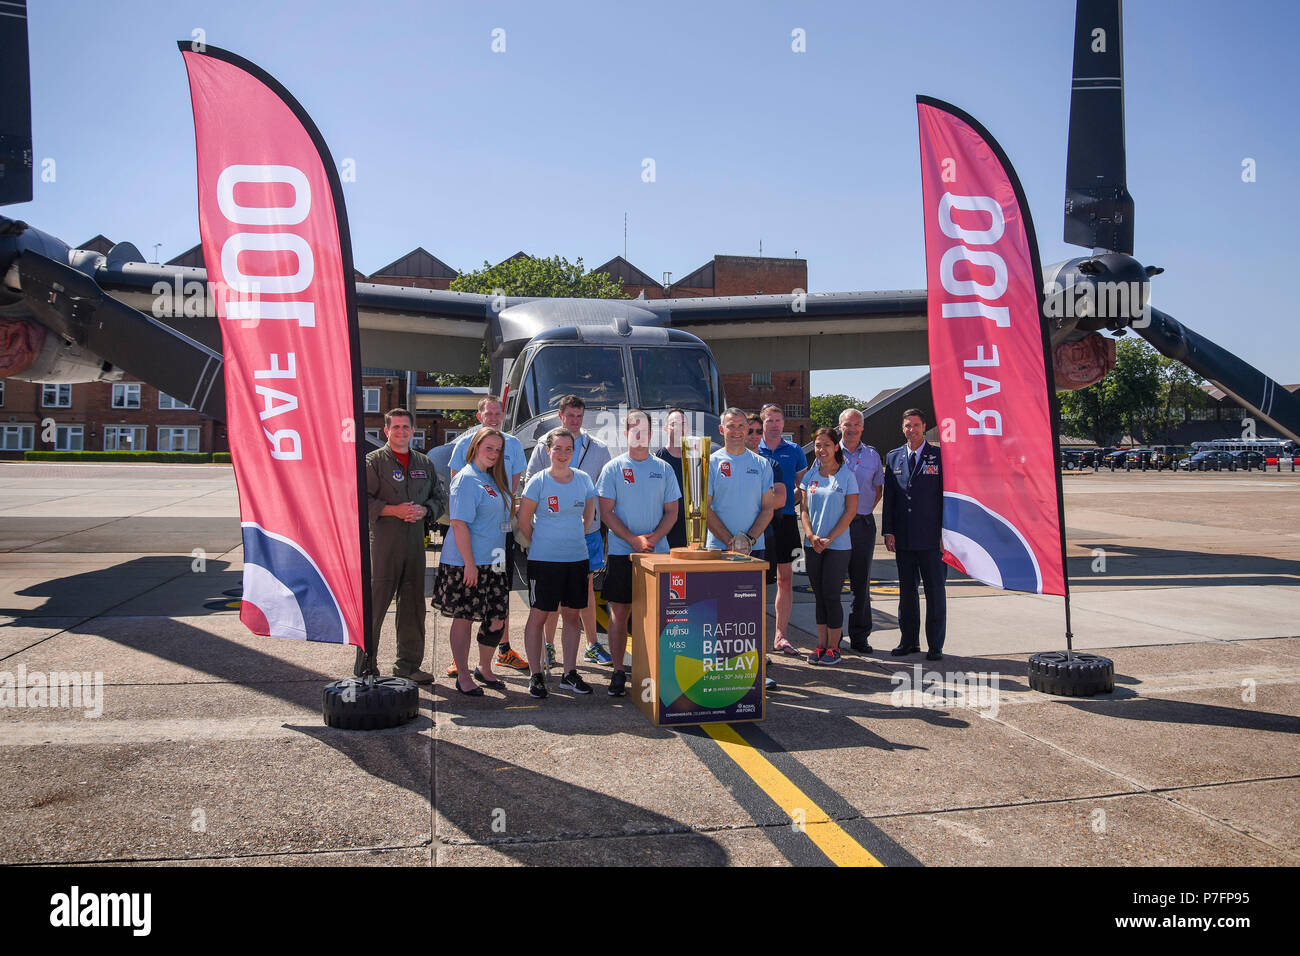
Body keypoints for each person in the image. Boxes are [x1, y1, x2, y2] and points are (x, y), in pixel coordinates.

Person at [596, 409, 681, 697]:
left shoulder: (664, 469)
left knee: (659, 616)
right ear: (626, 432)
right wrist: (633, 539)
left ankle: (658, 670)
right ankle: (619, 670)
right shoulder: (613, 468)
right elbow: (606, 512)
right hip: (623, 554)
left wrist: (654, 538)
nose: (639, 433)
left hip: (658, 555)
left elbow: (672, 511)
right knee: (620, 613)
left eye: (644, 428)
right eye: (634, 428)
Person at [526, 394, 613, 665]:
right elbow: (530, 482)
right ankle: (549, 646)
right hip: (551, 535)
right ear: (560, 416)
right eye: (570, 416)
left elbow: (604, 489)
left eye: (579, 416)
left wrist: (591, 525)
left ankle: (592, 644)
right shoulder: (545, 445)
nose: (574, 421)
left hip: (586, 533)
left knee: (584, 590)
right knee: (552, 596)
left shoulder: (598, 448)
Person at [445, 395, 529, 676]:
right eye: (488, 412)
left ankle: (501, 651)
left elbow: (510, 490)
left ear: (503, 415)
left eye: (498, 412)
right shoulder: (466, 446)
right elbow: (461, 487)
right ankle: (461, 660)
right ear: (480, 416)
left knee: (498, 596)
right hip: (474, 532)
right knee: (467, 604)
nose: (493, 417)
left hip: (499, 534)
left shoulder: (512, 444)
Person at [362, 408, 444, 682]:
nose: (400, 431)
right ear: (386, 431)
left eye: (405, 427)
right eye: (395, 427)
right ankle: (366, 666)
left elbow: (439, 497)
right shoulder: (373, 462)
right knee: (375, 607)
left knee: (413, 606)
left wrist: (425, 511)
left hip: (414, 545)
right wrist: (393, 510)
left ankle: (408, 666)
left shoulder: (424, 463)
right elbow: (362, 501)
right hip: (383, 544)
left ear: (412, 430)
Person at [431, 428, 513, 696]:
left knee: (497, 618)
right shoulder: (466, 479)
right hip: (468, 562)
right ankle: (463, 675)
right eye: (488, 448)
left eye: (498, 450)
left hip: (495, 560)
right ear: (476, 447)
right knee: (464, 618)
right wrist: (469, 564)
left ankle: (484, 667)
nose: (493, 454)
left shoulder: (492, 479)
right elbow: (458, 523)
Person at [516, 427, 596, 699]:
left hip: (576, 559)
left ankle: (569, 674)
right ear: (548, 451)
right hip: (544, 561)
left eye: (568, 449)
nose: (563, 454)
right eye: (557, 449)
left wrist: (573, 536)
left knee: (572, 617)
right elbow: (524, 522)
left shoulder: (584, 480)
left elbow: (589, 516)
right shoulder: (538, 481)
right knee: (539, 616)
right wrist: (539, 543)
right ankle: (536, 675)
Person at [882, 408, 946, 661]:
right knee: (907, 593)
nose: (912, 430)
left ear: (924, 427)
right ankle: (908, 641)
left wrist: (946, 533)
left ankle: (935, 645)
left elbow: (946, 498)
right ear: (903, 428)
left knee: (935, 592)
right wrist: (889, 530)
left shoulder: (939, 456)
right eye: (908, 425)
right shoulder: (894, 457)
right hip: (904, 538)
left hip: (932, 539)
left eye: (916, 425)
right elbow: (890, 499)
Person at [798, 427, 859, 665]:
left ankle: (834, 648)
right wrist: (811, 536)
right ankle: (820, 645)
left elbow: (850, 511)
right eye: (817, 445)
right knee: (819, 596)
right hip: (812, 545)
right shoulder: (809, 476)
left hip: (838, 546)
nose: (821, 449)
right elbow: (803, 510)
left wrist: (830, 538)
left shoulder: (847, 476)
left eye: (826, 445)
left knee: (832, 596)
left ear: (836, 447)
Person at [755, 404, 807, 656]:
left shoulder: (795, 451)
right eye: (769, 421)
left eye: (778, 420)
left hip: (786, 521)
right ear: (762, 423)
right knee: (756, 582)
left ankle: (781, 636)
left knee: (786, 580)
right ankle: (756, 639)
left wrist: (788, 500)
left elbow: (804, 486)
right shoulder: (753, 447)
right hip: (759, 522)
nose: (774, 425)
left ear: (783, 424)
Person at [838, 407, 885, 654]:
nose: (853, 429)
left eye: (857, 424)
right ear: (840, 428)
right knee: (833, 583)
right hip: (836, 527)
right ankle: (833, 637)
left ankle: (859, 637)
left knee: (861, 583)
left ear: (863, 428)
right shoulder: (829, 453)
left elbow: (877, 490)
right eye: (848, 424)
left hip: (863, 524)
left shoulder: (873, 456)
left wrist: (861, 511)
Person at [706, 407, 780, 558]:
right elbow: (704, 509)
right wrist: (730, 542)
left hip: (754, 547)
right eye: (731, 426)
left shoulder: (762, 464)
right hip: (718, 548)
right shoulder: (711, 463)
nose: (736, 431)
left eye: (741, 426)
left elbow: (767, 509)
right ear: (721, 429)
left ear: (747, 429)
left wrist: (748, 540)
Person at [654, 407, 690, 549]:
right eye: (674, 424)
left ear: (687, 428)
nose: (678, 428)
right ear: (666, 428)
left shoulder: (696, 457)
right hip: (665, 527)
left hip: (689, 529)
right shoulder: (658, 458)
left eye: (682, 424)